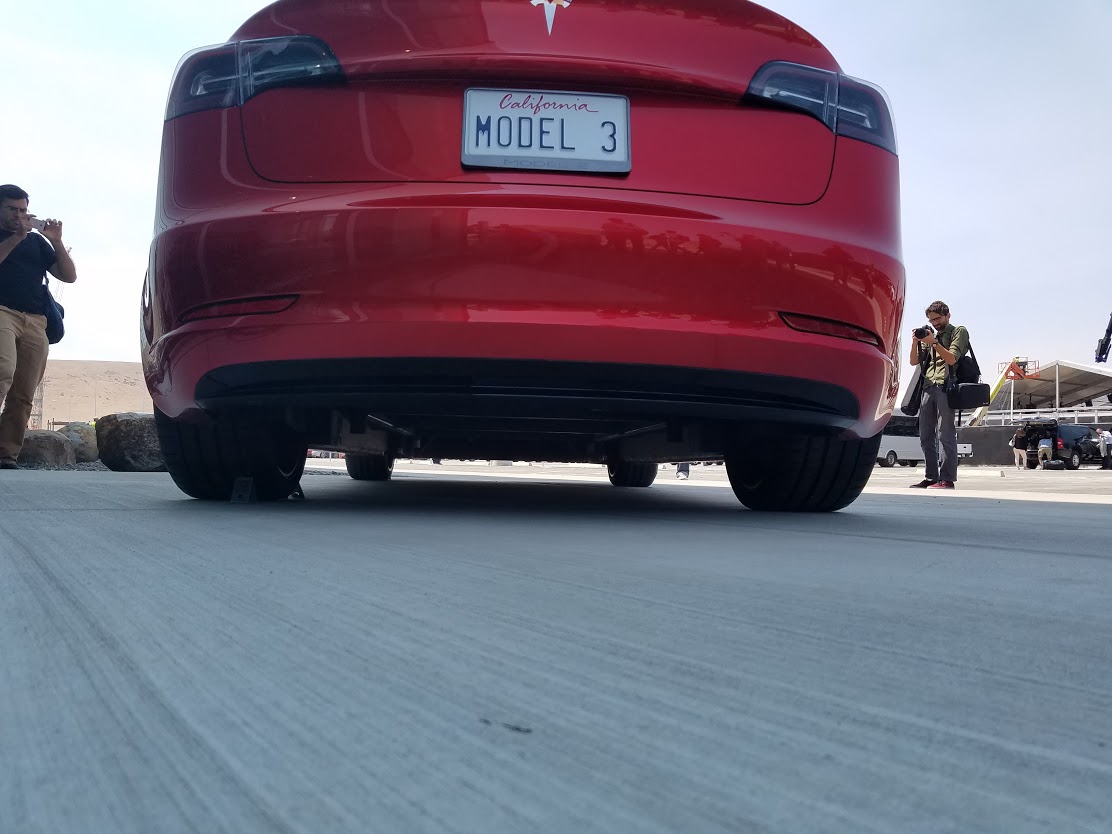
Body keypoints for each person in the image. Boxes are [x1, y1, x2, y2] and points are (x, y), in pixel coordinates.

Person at [0, 184, 77, 469]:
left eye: (23, 210)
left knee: (24, 391)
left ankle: (6, 454)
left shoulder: (37, 242)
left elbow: (68, 277)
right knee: (2, 370)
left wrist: (56, 241)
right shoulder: (15, 237)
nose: (19, 216)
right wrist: (16, 238)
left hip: (35, 319)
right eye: (12, 209)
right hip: (2, 312)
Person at [908, 301, 969, 489]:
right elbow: (913, 362)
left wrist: (934, 342)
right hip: (928, 386)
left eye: (938, 319)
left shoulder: (958, 331)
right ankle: (931, 477)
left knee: (946, 434)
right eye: (931, 320)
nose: (935, 323)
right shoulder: (929, 336)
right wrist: (916, 342)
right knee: (925, 435)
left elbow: (951, 358)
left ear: (948, 315)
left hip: (946, 386)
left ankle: (947, 479)